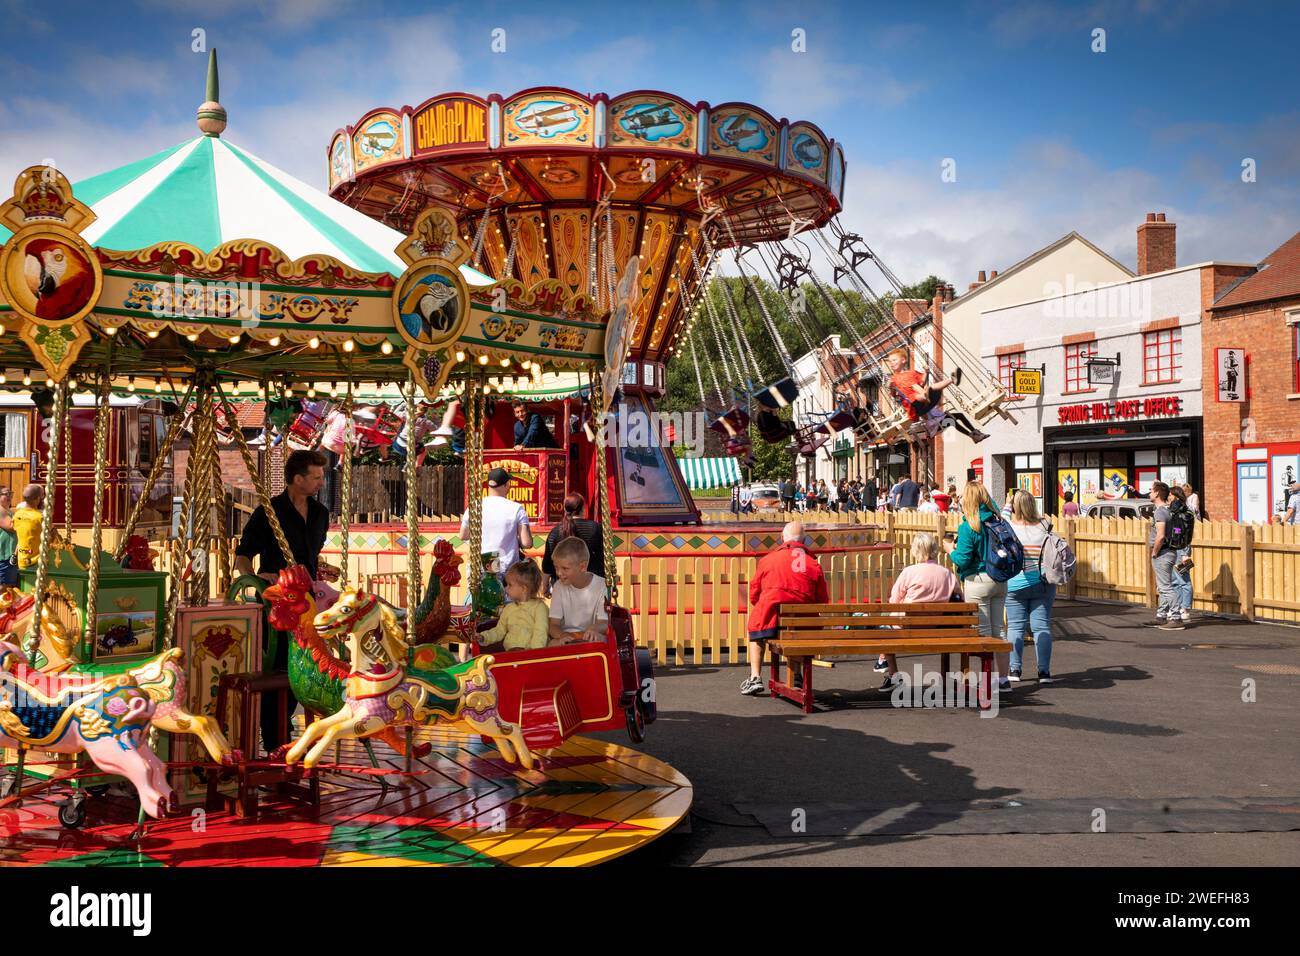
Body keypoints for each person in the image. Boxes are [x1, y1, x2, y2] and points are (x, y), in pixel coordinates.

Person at [234, 450, 335, 753]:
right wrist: (256, 580)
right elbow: (242, 555)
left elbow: (310, 557)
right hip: (280, 603)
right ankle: (276, 734)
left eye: (321, 476)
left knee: (306, 663)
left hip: (308, 603)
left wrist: (319, 569)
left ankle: (292, 730)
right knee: (279, 665)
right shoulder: (270, 510)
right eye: (316, 477)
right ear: (297, 478)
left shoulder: (320, 513)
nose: (321, 482)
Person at [741, 521, 829, 696]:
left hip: (770, 620)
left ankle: (755, 677)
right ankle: (796, 674)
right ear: (804, 541)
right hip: (803, 624)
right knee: (796, 628)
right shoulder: (812, 564)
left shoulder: (768, 560)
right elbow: (822, 600)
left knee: (756, 628)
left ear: (782, 539)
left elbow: (753, 595)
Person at [944, 482, 1011, 692]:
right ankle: (1003, 679)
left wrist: (949, 550)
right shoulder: (997, 521)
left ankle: (988, 680)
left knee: (982, 633)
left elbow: (962, 560)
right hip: (999, 579)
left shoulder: (968, 526)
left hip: (977, 580)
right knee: (999, 630)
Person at [877, 533, 961, 690]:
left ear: (915, 550)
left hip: (907, 628)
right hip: (937, 628)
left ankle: (892, 673)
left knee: (884, 626)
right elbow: (959, 599)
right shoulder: (947, 574)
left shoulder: (909, 572)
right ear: (934, 549)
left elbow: (894, 601)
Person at [1002, 490, 1056, 683]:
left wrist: (1008, 503)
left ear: (1015, 506)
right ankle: (1044, 672)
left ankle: (1014, 670)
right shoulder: (1045, 525)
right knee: (1041, 627)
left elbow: (1002, 517)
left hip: (1015, 583)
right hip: (1042, 583)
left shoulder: (1008, 526)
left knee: (1015, 627)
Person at [884, 348, 989, 443]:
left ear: (903, 360)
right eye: (890, 362)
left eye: (894, 360)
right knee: (925, 394)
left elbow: (922, 382)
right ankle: (945, 383)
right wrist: (889, 387)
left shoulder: (911, 373)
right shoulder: (894, 379)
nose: (891, 363)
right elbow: (894, 395)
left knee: (956, 417)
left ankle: (974, 435)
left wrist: (926, 372)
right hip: (916, 407)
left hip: (928, 409)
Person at [459, 467, 534, 583]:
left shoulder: (474, 506)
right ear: (506, 485)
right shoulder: (516, 508)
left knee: (477, 599)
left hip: (479, 565)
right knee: (503, 600)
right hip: (505, 567)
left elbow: (463, 535)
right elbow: (527, 543)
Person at [477, 559, 550, 652]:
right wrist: (483, 637)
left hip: (530, 656)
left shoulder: (539, 608)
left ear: (524, 589)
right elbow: (499, 631)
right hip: (510, 654)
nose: (506, 588)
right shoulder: (509, 608)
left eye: (510, 585)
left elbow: (540, 633)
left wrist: (532, 653)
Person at [548, 537, 607, 644]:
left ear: (582, 566)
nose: (559, 573)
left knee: (602, 640)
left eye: (565, 568)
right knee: (553, 644)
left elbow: (604, 622)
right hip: (567, 636)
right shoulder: (558, 587)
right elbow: (553, 625)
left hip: (590, 636)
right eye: (556, 567)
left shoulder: (602, 586)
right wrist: (562, 635)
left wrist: (594, 629)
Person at [541, 492, 605, 589]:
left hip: (563, 585)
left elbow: (548, 565)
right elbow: (603, 557)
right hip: (591, 585)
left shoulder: (556, 532)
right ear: (583, 509)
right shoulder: (596, 528)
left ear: (565, 509)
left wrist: (544, 587)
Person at [1143, 481, 1180, 629]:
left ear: (1157, 493)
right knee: (1163, 585)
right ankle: (1161, 615)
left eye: (1151, 490)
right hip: (1170, 551)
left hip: (1163, 553)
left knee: (1165, 587)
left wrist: (1154, 552)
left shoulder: (1160, 512)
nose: (1149, 492)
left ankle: (1176, 618)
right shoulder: (1169, 510)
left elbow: (1160, 536)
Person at [13, 484, 57, 571]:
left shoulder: (17, 514)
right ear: (37, 499)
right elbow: (52, 537)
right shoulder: (40, 517)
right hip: (36, 561)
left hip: (22, 559)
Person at [1168, 485, 1194, 627]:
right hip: (1174, 547)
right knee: (1175, 580)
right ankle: (1178, 607)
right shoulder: (1174, 510)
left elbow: (1186, 532)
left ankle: (1185, 608)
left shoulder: (1184, 511)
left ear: (1176, 496)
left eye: (1171, 495)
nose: (1169, 498)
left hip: (1182, 547)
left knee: (1184, 579)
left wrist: (1185, 553)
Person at [0, 488, 16, 587]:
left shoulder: (11, 512)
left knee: (11, 588)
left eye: (10, 493)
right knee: (3, 588)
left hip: (11, 556)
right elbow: (11, 527)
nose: (9, 496)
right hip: (3, 556)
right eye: (6, 494)